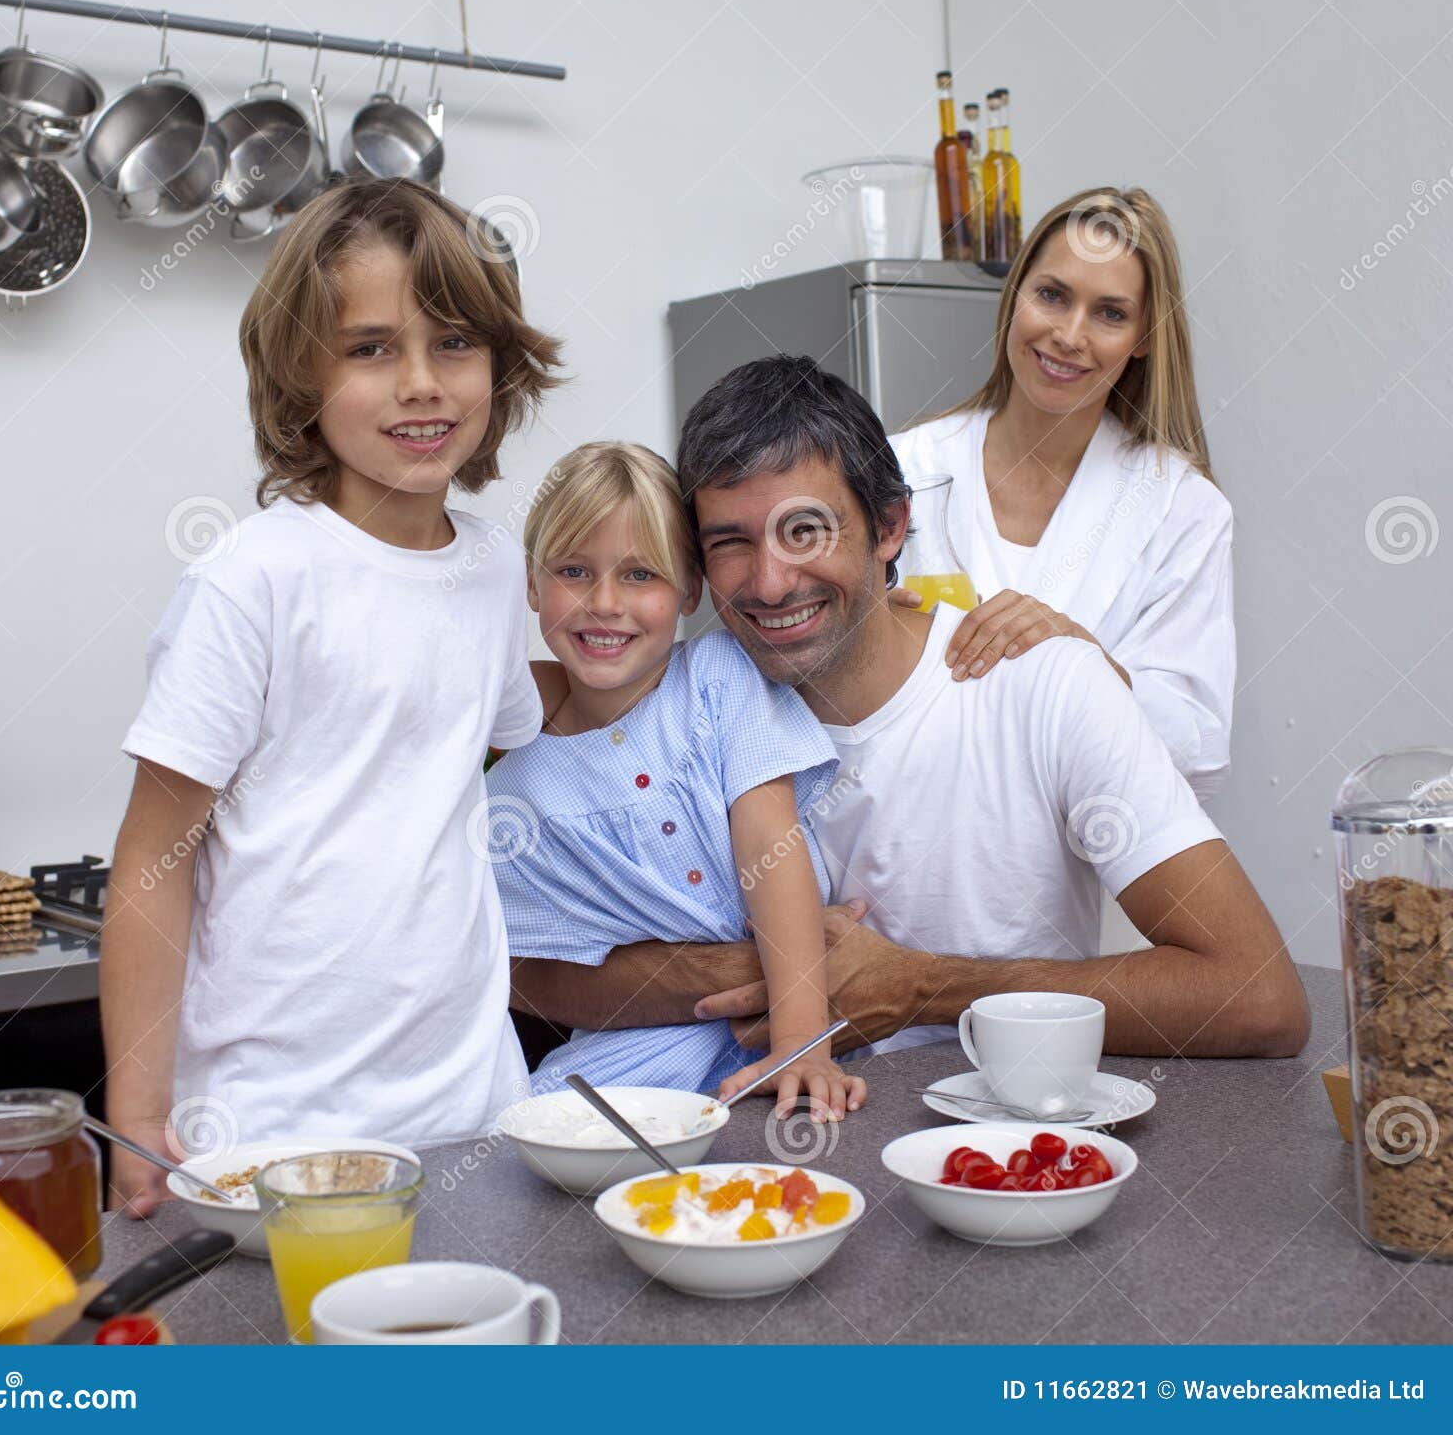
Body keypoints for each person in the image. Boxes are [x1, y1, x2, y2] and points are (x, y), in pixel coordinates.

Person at [511, 356, 1309, 1071]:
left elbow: (1257, 995)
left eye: (806, 529)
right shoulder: (675, 701)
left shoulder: (1041, 685)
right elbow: (524, 969)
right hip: (762, 1163)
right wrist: (761, 971)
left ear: (889, 526)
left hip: (993, 1153)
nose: (771, 581)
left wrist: (926, 987)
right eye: (731, 543)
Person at [102, 179, 565, 1215]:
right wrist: (136, 1112)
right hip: (270, 1125)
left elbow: (481, 726)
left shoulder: (491, 567)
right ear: (299, 373)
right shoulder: (253, 577)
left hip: (472, 1104)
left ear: (499, 366)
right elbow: (151, 857)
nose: (420, 383)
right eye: (368, 348)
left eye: (454, 343)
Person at [489, 442, 865, 1119]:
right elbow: (510, 956)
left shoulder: (717, 680)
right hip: (630, 1063)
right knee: (537, 1148)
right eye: (574, 570)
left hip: (789, 1033)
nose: (604, 603)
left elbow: (768, 841)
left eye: (640, 574)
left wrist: (803, 1044)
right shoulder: (515, 787)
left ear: (690, 589)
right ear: (531, 583)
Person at [890, 187, 1234, 799]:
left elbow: (1199, 747)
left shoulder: (1182, 507)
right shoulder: (903, 466)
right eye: (1052, 295)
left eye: (1110, 313)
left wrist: (1084, 662)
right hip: (894, 849)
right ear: (1016, 295)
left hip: (1078, 868)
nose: (1069, 334)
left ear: (1146, 336)